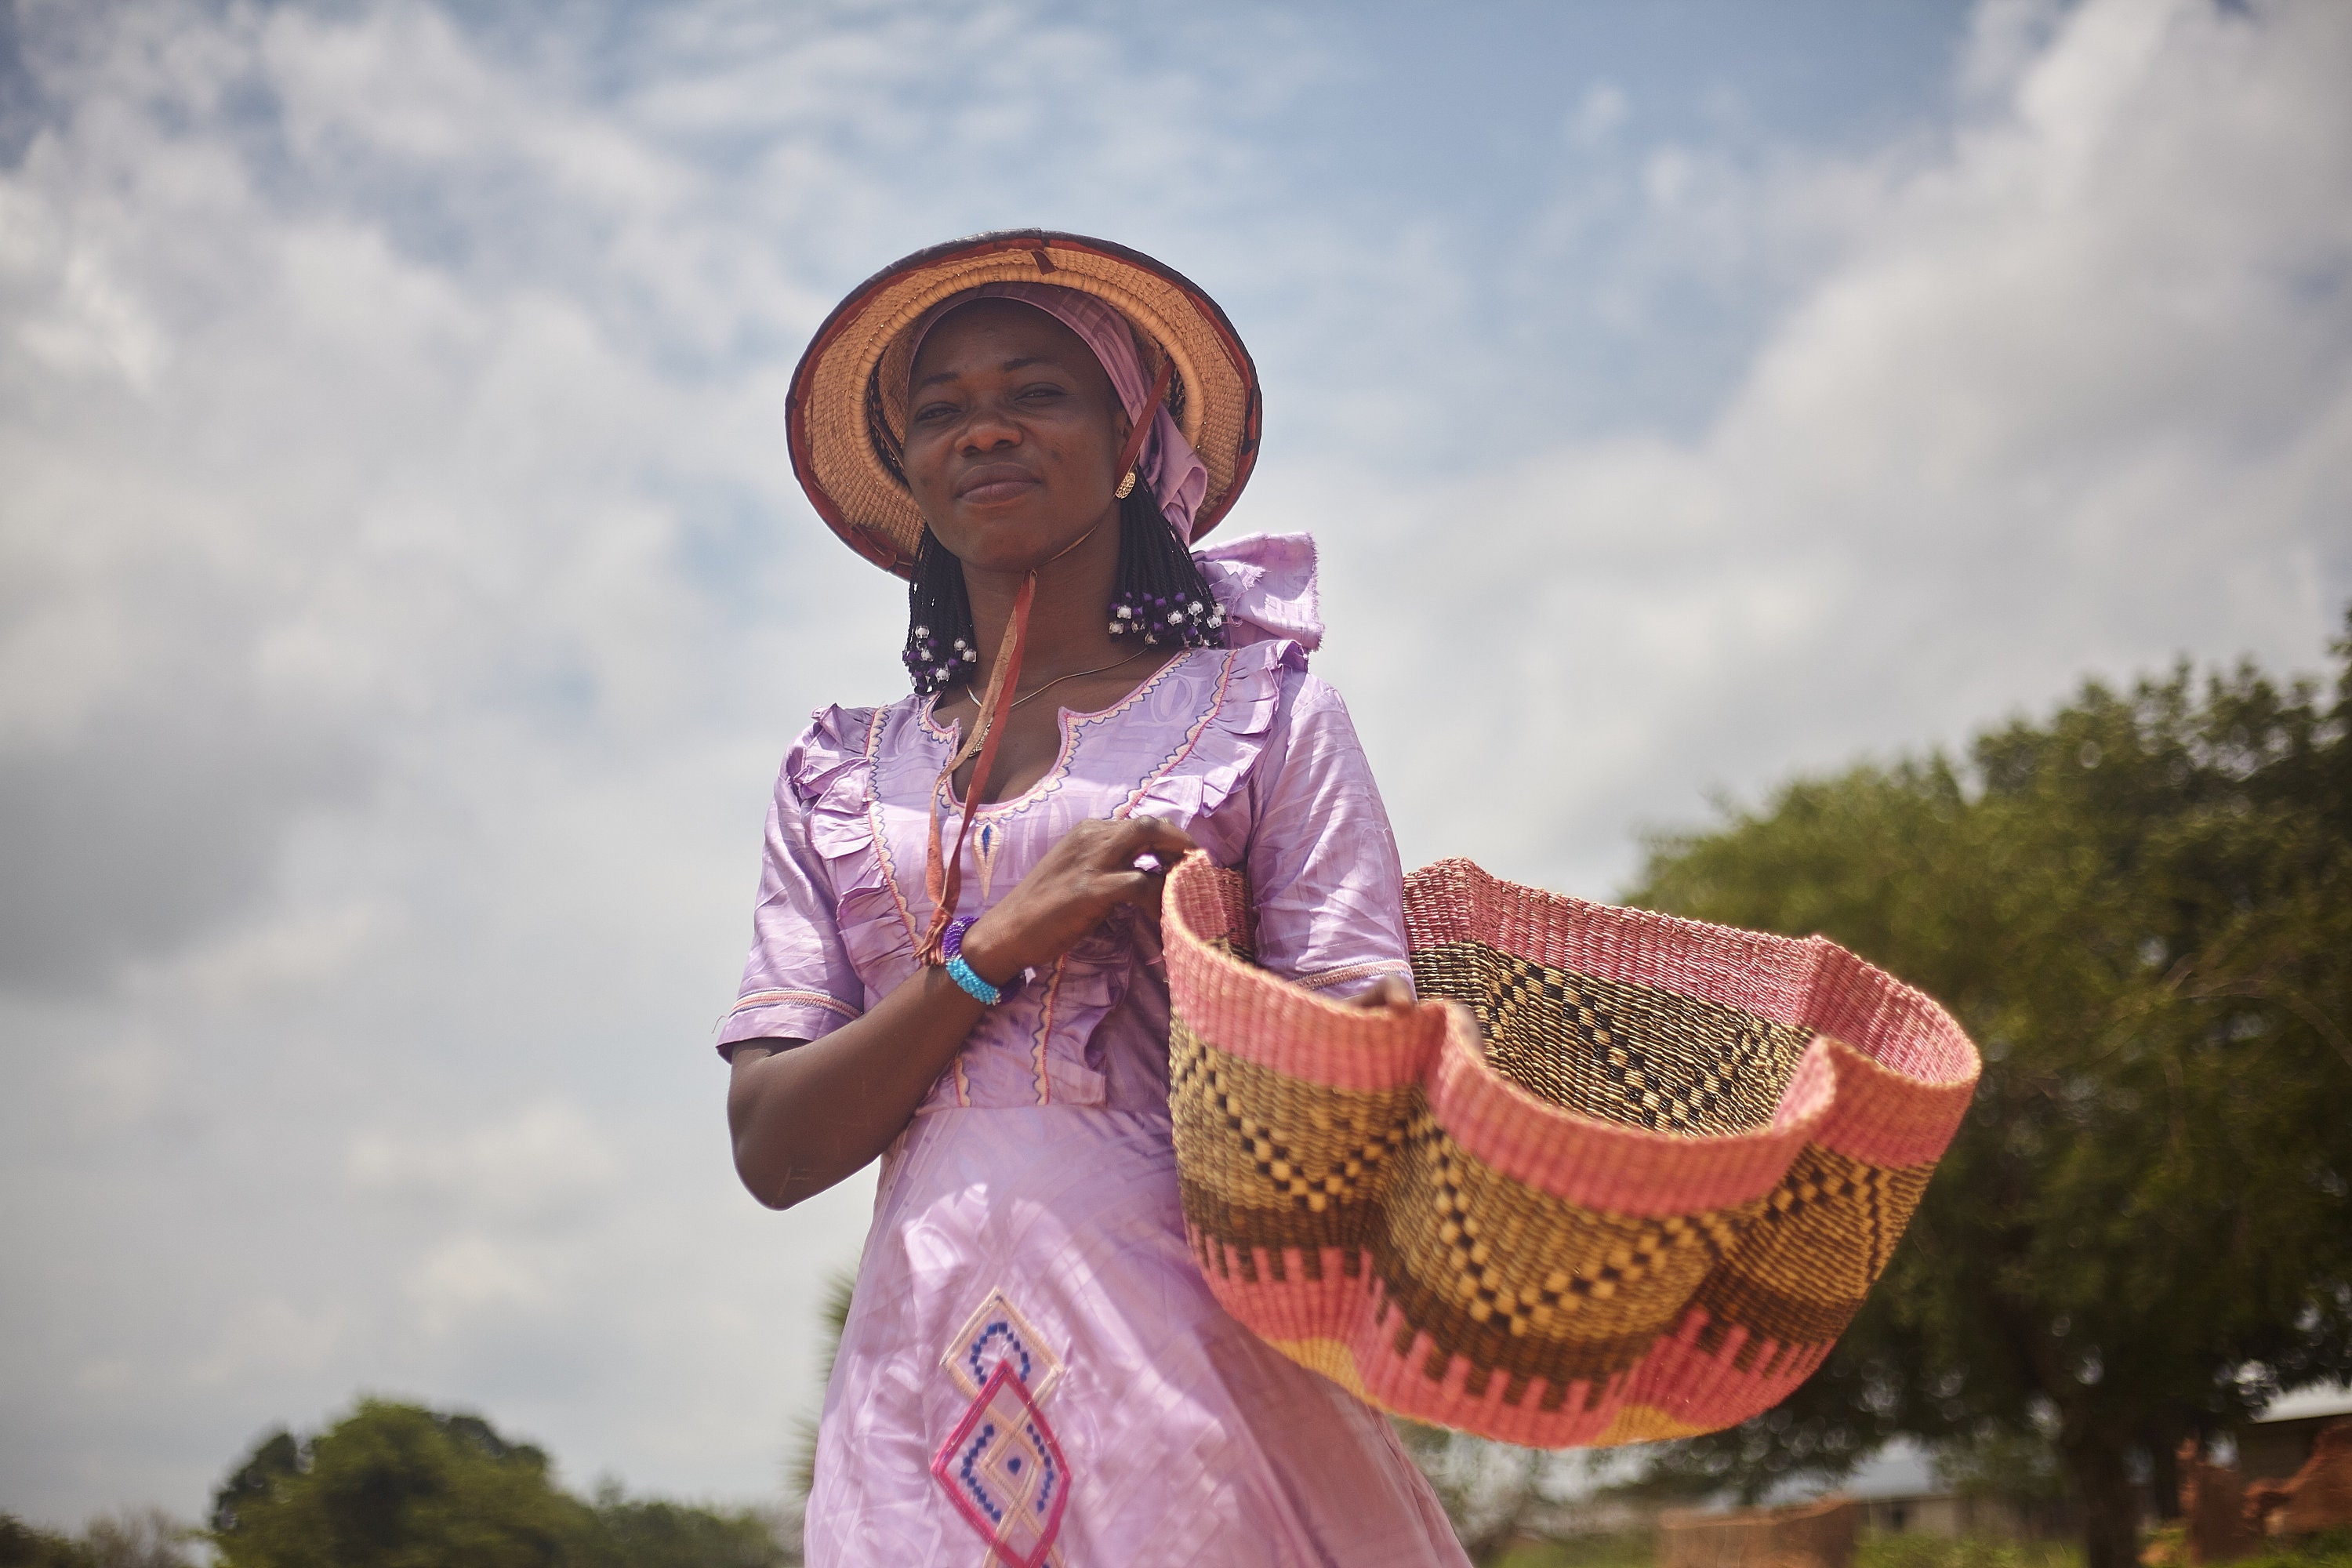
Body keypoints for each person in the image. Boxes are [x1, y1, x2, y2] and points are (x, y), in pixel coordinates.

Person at [720, 233, 1471, 1567]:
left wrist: (1222, 975)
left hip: (1197, 1368)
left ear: (1133, 437)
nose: (984, 429)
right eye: (940, 410)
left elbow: (1365, 1090)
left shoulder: (1265, 717)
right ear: (909, 469)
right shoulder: (840, 775)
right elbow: (775, 1150)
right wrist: (989, 953)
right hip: (914, 1387)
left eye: (1037, 392)